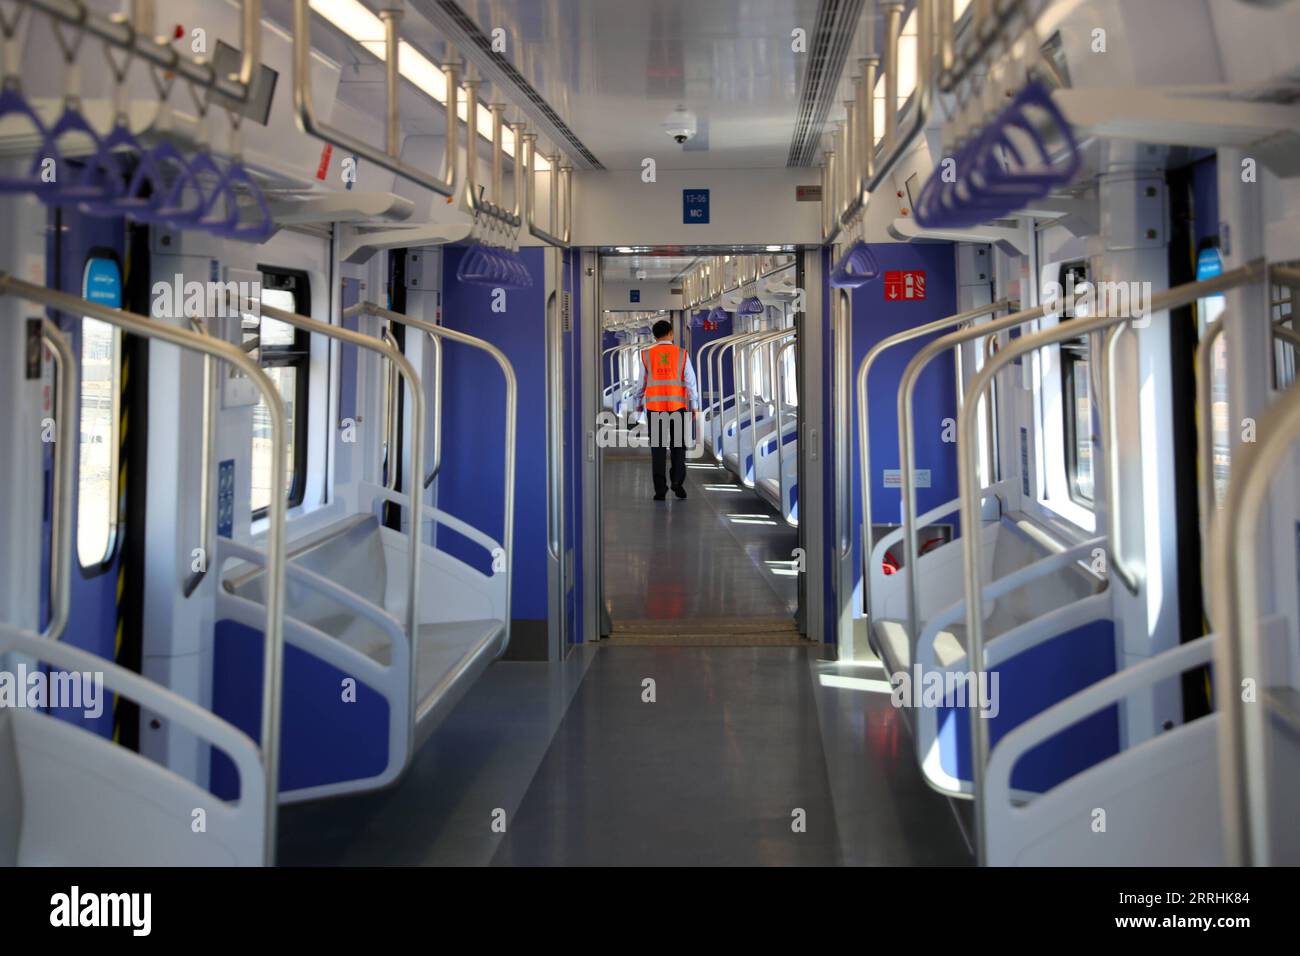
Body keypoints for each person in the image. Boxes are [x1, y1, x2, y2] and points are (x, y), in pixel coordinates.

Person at [632, 319, 700, 500]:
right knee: (678, 446)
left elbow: (641, 384)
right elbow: (690, 382)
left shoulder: (646, 355)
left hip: (654, 408)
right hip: (677, 407)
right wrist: (695, 406)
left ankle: (660, 490)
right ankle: (677, 481)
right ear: (671, 333)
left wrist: (637, 406)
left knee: (658, 449)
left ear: (654, 336)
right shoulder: (681, 354)